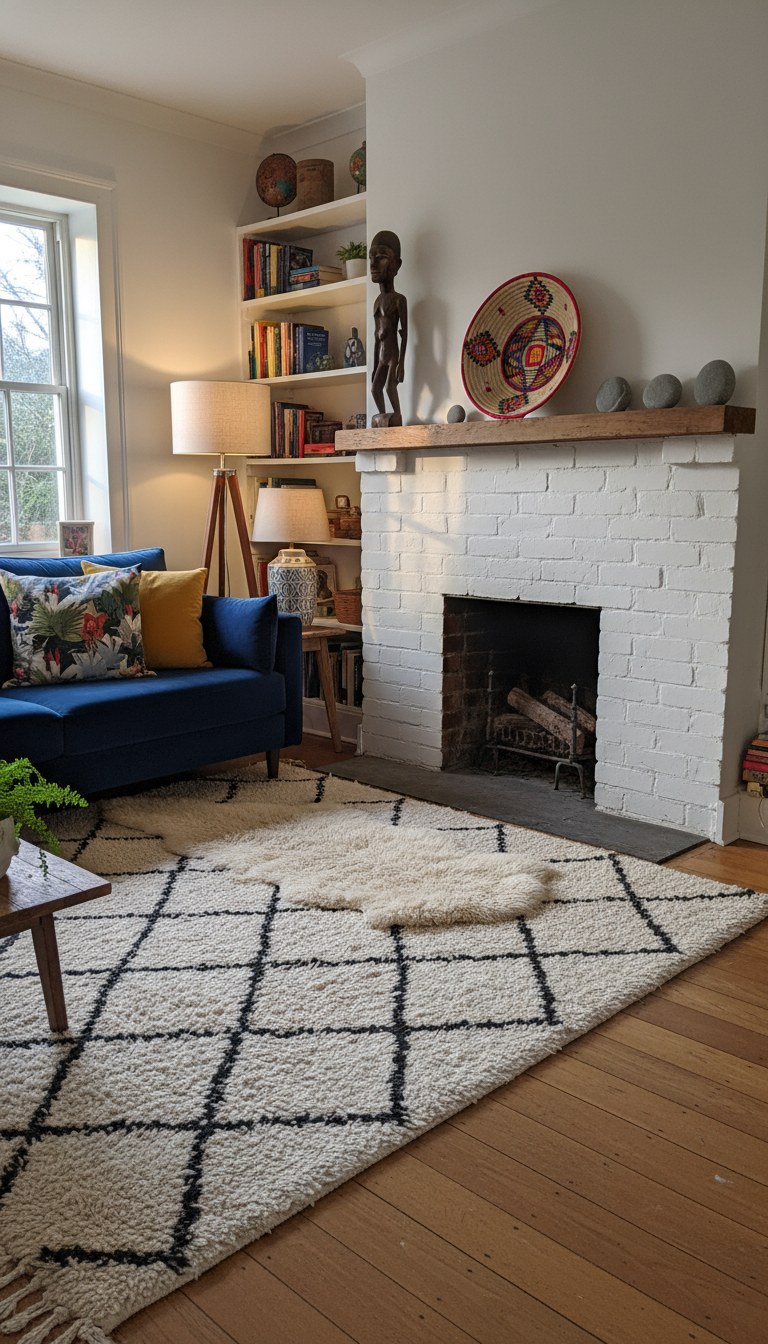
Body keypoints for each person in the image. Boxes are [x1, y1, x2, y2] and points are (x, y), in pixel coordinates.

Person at [369, 230, 407, 426]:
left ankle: (397, 415)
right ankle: (383, 418)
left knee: (390, 388)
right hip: (381, 355)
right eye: (371, 257)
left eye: (382, 257)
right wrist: (374, 365)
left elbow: (405, 334)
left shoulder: (399, 300)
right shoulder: (376, 302)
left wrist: (401, 364)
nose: (373, 264)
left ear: (397, 264)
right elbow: (376, 338)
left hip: (392, 355)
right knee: (375, 389)